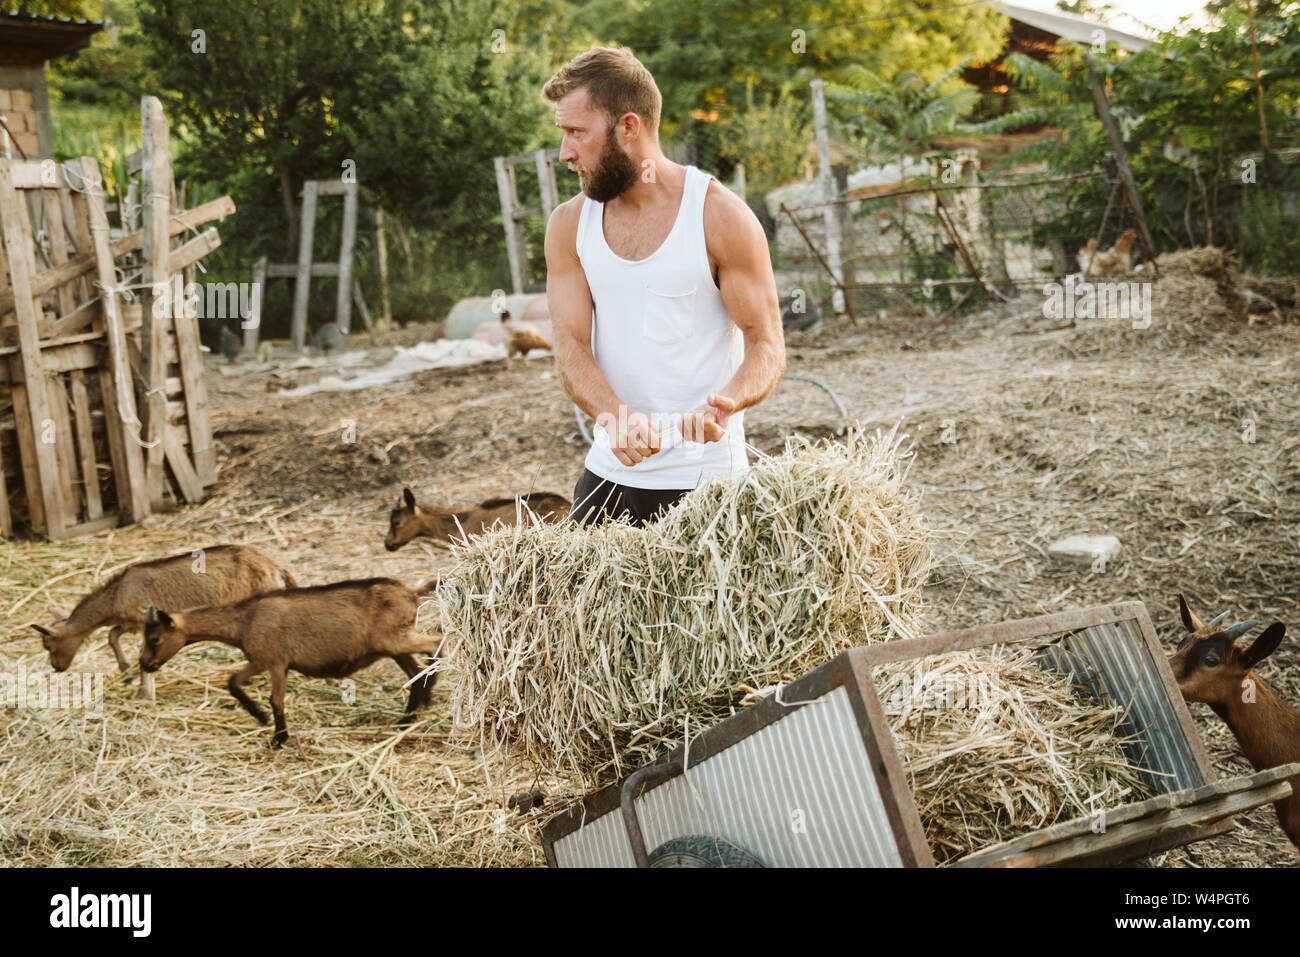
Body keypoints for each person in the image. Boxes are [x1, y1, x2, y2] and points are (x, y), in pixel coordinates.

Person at [542, 46, 786, 527]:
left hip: (707, 487)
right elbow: (568, 345)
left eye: (576, 133)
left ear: (628, 127)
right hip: (607, 481)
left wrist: (727, 404)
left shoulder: (720, 216)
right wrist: (615, 417)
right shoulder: (568, 225)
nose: (565, 152)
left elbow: (767, 344)